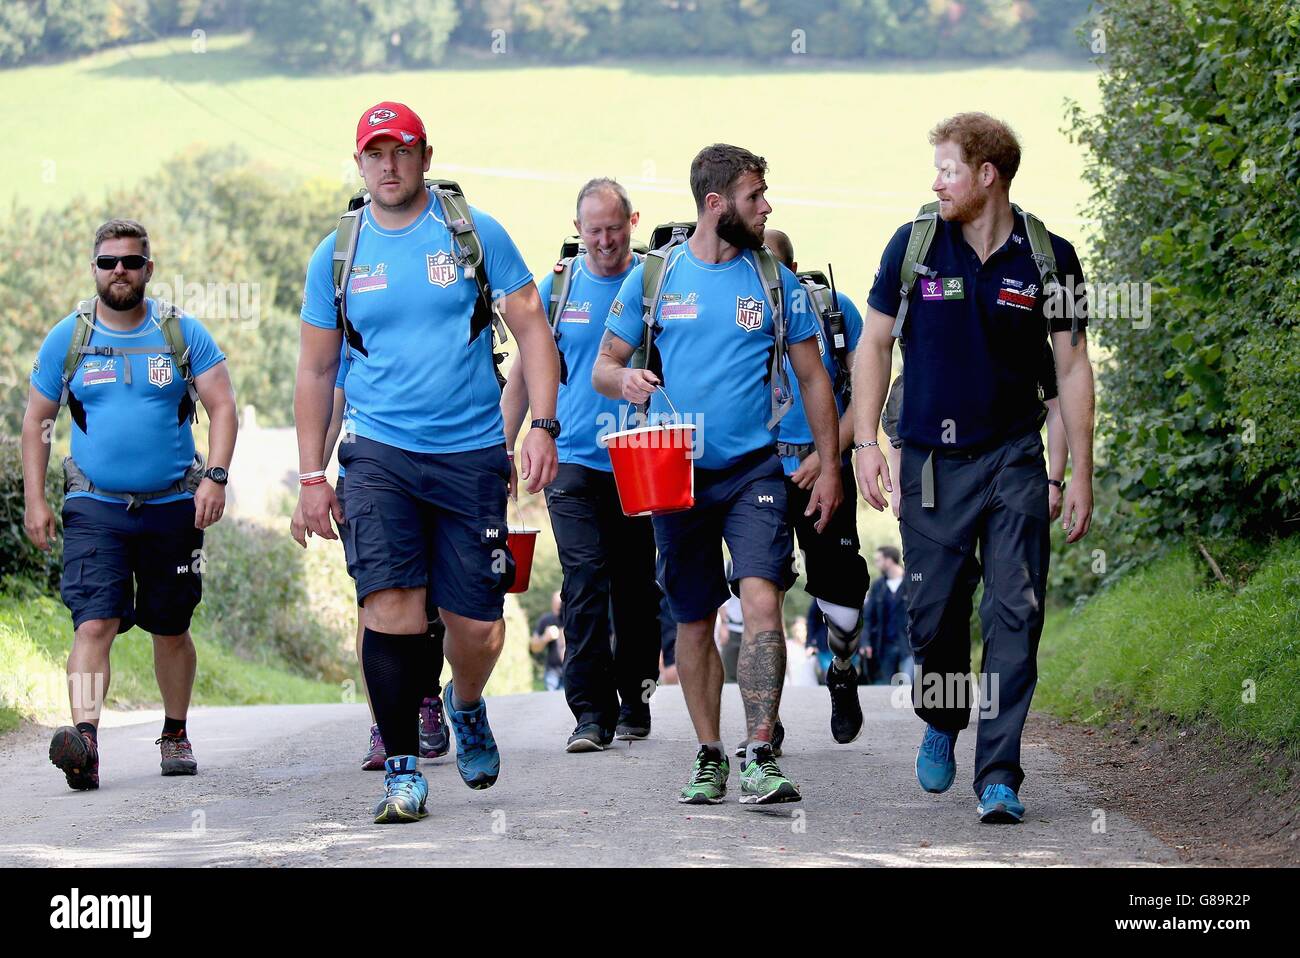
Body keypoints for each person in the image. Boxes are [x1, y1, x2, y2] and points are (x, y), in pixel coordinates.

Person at [295, 101, 560, 824]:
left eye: (401, 150)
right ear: (359, 163)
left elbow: (533, 328)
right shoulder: (338, 254)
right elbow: (317, 372)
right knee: (391, 611)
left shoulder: (473, 234)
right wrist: (312, 477)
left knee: (477, 628)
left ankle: (465, 701)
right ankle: (404, 770)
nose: (388, 164)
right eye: (374, 152)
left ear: (425, 155)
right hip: (377, 454)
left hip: (471, 453)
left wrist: (541, 424)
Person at [854, 113, 1095, 824]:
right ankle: (942, 714)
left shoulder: (1052, 257)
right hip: (929, 463)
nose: (937, 182)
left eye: (948, 169)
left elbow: (1073, 365)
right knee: (933, 619)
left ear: (986, 176)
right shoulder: (915, 245)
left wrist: (1078, 471)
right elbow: (873, 345)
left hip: (1015, 457)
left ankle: (999, 774)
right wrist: (866, 442)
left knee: (1014, 612)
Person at [594, 143, 842, 805]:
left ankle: (759, 750)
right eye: (754, 196)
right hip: (675, 473)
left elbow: (815, 377)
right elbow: (603, 366)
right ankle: (710, 756)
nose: (766, 207)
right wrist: (629, 381)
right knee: (696, 618)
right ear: (715, 204)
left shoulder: (774, 282)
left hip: (755, 471)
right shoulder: (654, 277)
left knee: (762, 601)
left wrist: (831, 463)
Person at [22, 219, 236, 791]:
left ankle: (174, 732)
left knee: (170, 626)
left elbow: (222, 404)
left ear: (149, 269)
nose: (120, 271)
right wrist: (36, 500)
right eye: (109, 262)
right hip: (95, 506)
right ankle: (84, 741)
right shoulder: (68, 338)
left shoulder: (181, 334)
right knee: (94, 620)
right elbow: (38, 421)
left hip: (173, 507)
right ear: (93, 269)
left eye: (132, 262)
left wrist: (215, 477)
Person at [501, 178, 660, 752]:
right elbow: (524, 369)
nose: (604, 240)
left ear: (632, 222)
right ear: (578, 230)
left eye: (614, 228)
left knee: (637, 588)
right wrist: (506, 441)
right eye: (593, 230)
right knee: (585, 579)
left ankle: (635, 697)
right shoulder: (559, 288)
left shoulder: (656, 282)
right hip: (572, 457)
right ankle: (590, 713)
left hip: (642, 458)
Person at [290, 346, 449, 771]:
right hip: (369, 480)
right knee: (377, 603)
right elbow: (333, 403)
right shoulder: (353, 314)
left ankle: (429, 693)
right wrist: (311, 480)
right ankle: (385, 725)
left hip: (445, 471)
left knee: (432, 604)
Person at [764, 228, 871, 745]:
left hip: (823, 469)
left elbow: (867, 387)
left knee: (844, 607)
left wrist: (827, 456)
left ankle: (843, 669)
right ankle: (766, 717)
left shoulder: (833, 311)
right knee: (760, 595)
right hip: (757, 473)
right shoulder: (731, 311)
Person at [863, 546, 910, 684]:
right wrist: (865, 642)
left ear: (889, 561)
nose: (876, 563)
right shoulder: (878, 586)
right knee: (884, 688)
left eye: (879, 560)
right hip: (884, 646)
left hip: (908, 645)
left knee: (909, 686)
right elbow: (868, 617)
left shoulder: (910, 583)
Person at [530, 591, 565, 692]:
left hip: (573, 672)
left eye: (560, 605)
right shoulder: (546, 620)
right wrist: (545, 638)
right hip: (552, 673)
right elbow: (533, 648)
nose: (558, 608)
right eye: (555, 605)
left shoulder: (575, 619)